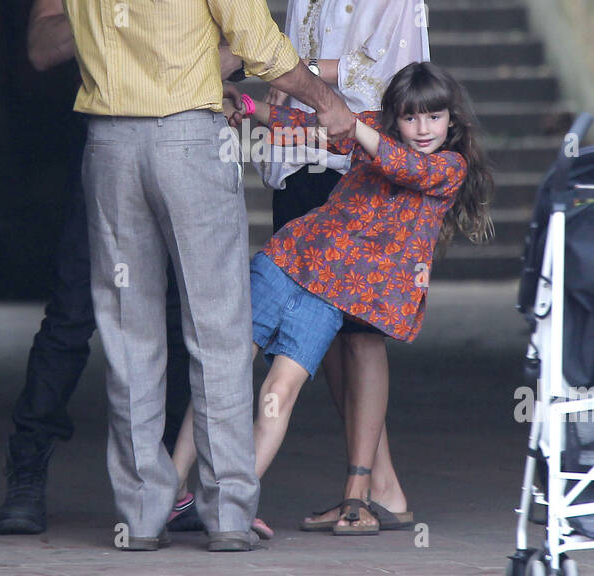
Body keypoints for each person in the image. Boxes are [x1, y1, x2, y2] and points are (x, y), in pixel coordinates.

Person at [61, 0, 354, 552]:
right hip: (191, 143)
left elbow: (114, 44)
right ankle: (226, 511)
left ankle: (144, 513)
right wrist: (323, 100)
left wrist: (194, 77)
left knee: (128, 335)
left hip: (110, 147)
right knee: (219, 328)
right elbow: (259, 43)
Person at [0, 0, 224, 536]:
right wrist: (111, 25)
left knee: (188, 315)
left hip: (181, 139)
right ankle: (27, 473)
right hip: (102, 141)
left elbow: (233, 44)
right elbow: (38, 45)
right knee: (71, 317)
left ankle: (169, 488)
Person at [170, 62, 494, 531]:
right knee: (223, 368)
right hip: (287, 261)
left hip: (331, 300)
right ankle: (172, 491)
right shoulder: (370, 132)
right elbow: (303, 126)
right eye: (409, 118)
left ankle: (227, 509)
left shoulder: (447, 167)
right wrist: (245, 104)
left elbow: (403, 165)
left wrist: (356, 128)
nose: (423, 129)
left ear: (452, 121)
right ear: (393, 119)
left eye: (434, 117)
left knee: (278, 393)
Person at [265, 0, 430, 536]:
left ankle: (368, 488)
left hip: (358, 165)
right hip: (303, 157)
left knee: (359, 330)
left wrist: (287, 71)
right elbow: (298, 49)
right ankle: (381, 484)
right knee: (319, 329)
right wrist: (283, 78)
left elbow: (384, 69)